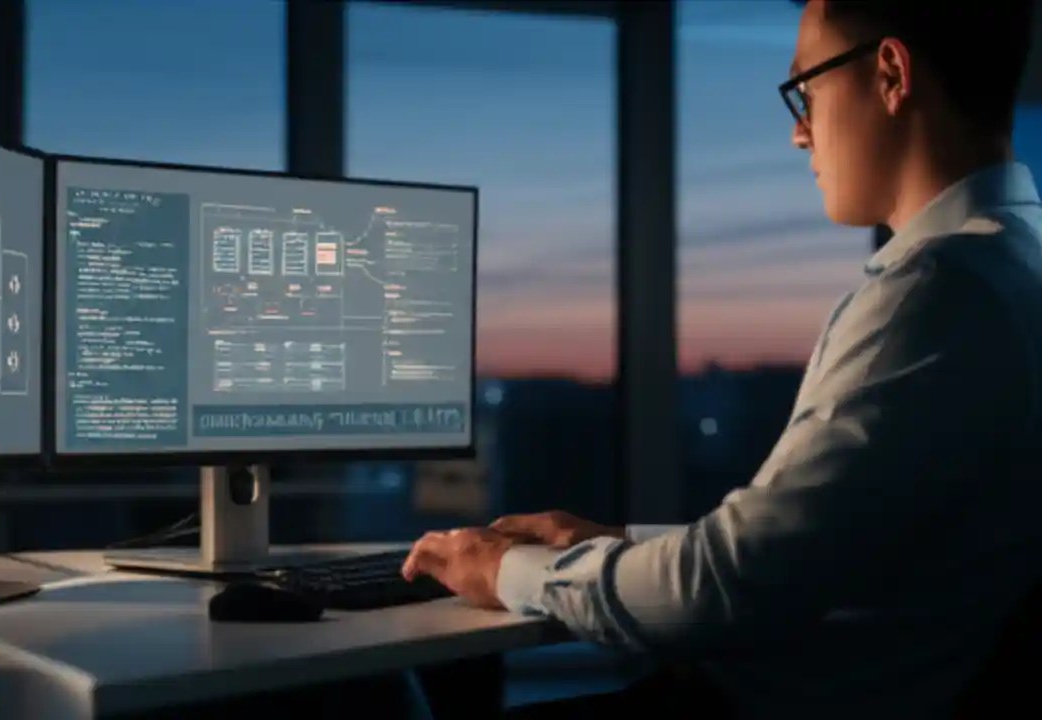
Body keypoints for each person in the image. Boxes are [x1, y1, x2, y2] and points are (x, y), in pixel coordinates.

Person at [402, 0, 1042, 717]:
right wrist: (619, 543)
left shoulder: (934, 292)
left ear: (891, 75)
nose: (800, 132)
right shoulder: (1016, 260)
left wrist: (509, 569)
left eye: (808, 89)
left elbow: (724, 591)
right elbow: (829, 546)